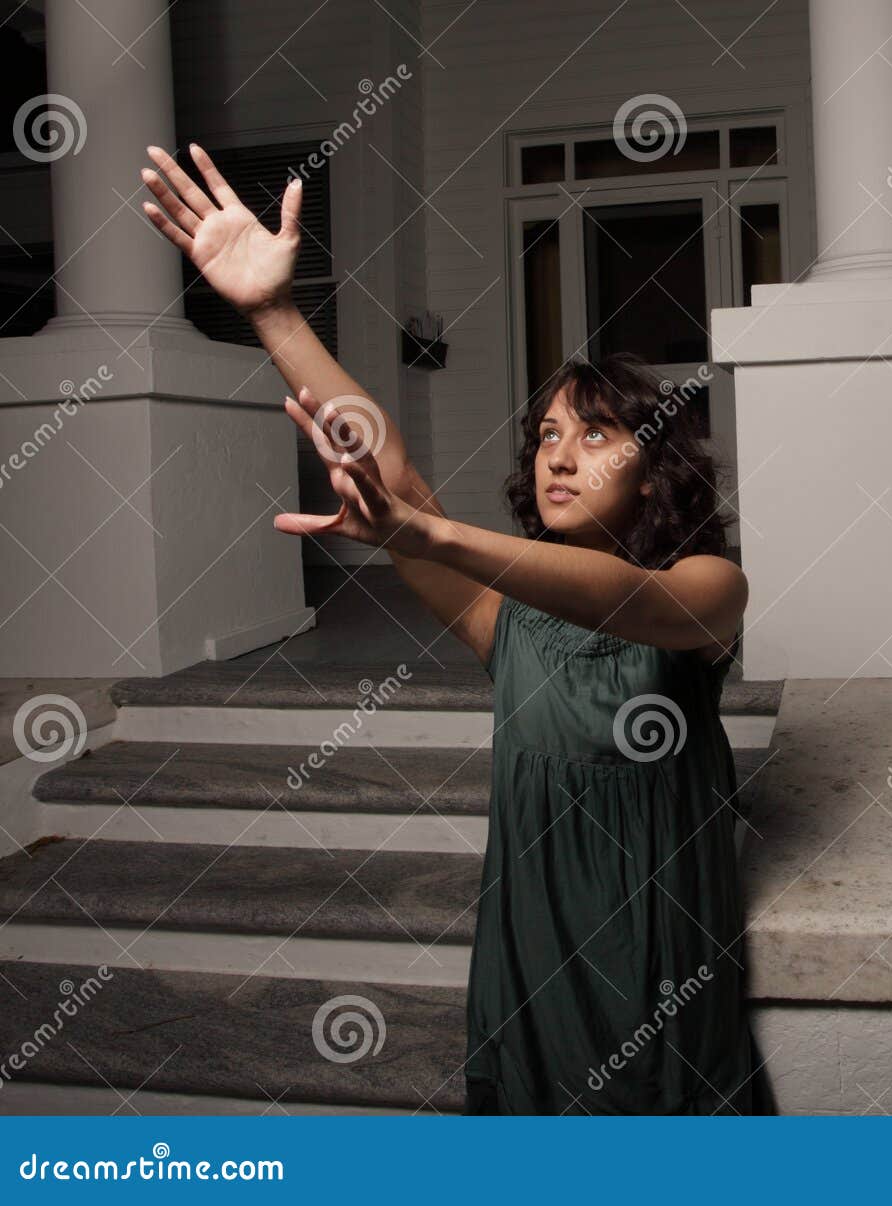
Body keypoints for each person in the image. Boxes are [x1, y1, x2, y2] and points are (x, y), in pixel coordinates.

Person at [138, 143, 776, 1115]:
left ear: (654, 468)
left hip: (660, 968)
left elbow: (621, 598)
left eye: (595, 434)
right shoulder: (502, 615)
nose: (559, 455)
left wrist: (426, 530)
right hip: (531, 969)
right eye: (546, 435)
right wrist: (273, 313)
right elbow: (392, 469)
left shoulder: (706, 590)